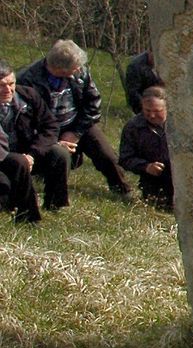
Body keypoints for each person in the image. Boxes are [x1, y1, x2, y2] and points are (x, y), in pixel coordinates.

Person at [20, 40, 129, 201]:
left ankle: (122, 189)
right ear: (60, 69)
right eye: (75, 67)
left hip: (77, 123)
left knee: (106, 155)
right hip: (45, 130)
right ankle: (54, 197)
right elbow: (25, 123)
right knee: (58, 156)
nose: (79, 69)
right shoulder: (28, 80)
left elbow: (93, 104)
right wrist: (54, 142)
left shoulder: (80, 72)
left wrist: (76, 133)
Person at [0, 62, 62, 222]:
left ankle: (55, 204)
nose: (8, 90)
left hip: (27, 152)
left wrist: (33, 153)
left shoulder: (27, 96)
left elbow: (50, 126)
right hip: (3, 157)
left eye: (11, 84)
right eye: (1, 85)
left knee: (59, 154)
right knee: (9, 180)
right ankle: (27, 217)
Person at [117, 86, 172, 210]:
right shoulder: (133, 127)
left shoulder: (181, 125)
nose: (152, 115)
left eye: (157, 111)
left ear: (168, 108)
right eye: (147, 110)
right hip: (153, 182)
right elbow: (125, 158)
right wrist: (146, 166)